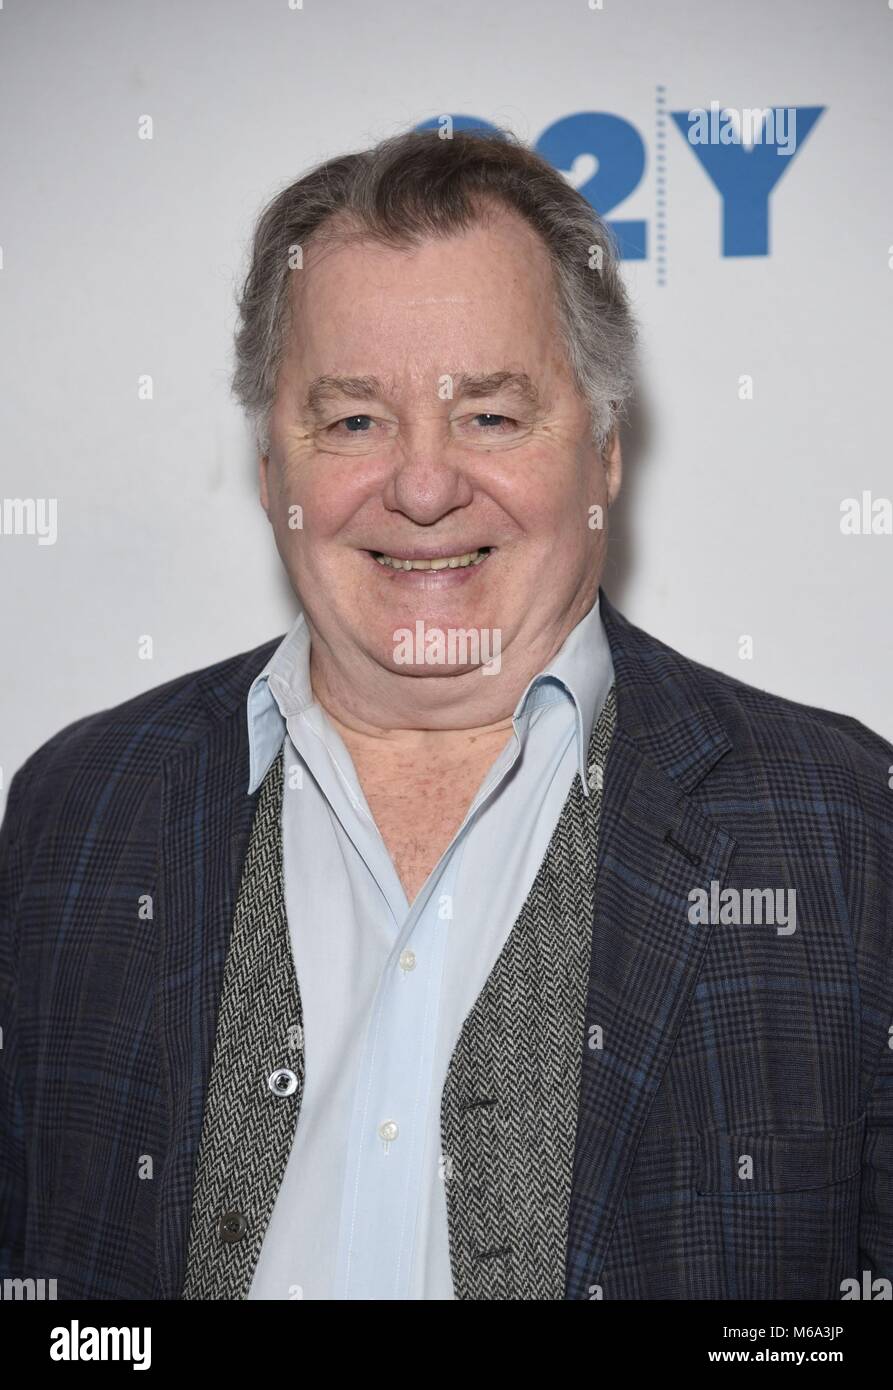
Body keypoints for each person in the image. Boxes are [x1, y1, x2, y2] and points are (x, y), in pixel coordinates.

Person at [1, 128, 890, 1301]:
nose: (422, 487)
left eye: (488, 415)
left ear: (605, 451)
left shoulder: (840, 828)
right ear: (273, 467)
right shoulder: (77, 810)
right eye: (354, 419)